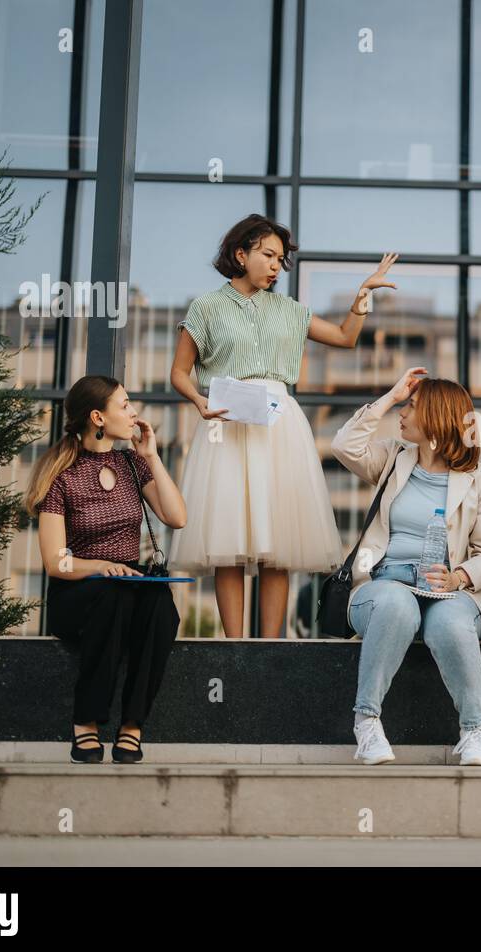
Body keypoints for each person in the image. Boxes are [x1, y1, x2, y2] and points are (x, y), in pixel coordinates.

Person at [169, 213, 398, 638]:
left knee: (279, 541)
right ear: (241, 254)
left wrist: (362, 295)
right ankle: (234, 645)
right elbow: (180, 372)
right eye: (267, 255)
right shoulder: (206, 307)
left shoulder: (290, 311)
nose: (276, 265)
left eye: (280, 259)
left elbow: (346, 337)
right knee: (228, 540)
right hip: (226, 423)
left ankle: (271, 648)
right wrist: (199, 401)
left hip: (279, 425)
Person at [331, 367, 481, 766]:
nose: (403, 413)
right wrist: (391, 395)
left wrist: (460, 576)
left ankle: (475, 732)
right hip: (383, 586)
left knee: (449, 623)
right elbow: (344, 446)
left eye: (411, 406)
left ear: (436, 415)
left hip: (447, 592)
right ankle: (367, 723)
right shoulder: (393, 459)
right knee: (397, 605)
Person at [23, 375, 188, 764]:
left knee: (161, 605)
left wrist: (151, 456)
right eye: (125, 405)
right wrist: (101, 565)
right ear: (98, 417)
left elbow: (176, 517)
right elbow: (55, 562)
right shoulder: (61, 475)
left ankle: (132, 727)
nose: (134, 414)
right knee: (112, 595)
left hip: (126, 583)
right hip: (79, 588)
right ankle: (86, 724)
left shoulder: (131, 463)